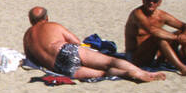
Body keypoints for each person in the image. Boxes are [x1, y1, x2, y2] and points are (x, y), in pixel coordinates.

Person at [24, 6, 164, 82]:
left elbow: (31, 58)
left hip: (57, 66)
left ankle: (127, 74)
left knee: (103, 73)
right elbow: (76, 41)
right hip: (66, 50)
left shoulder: (27, 36)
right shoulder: (52, 25)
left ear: (31, 21)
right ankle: (142, 72)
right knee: (110, 61)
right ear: (46, 18)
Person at [123, 0, 186, 75]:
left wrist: (184, 36)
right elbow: (152, 30)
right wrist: (177, 38)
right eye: (148, 0)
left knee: (182, 34)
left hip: (153, 54)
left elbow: (185, 25)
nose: (151, 3)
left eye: (154, 1)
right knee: (158, 37)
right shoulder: (137, 14)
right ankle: (183, 69)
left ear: (159, 2)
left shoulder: (161, 15)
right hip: (135, 57)